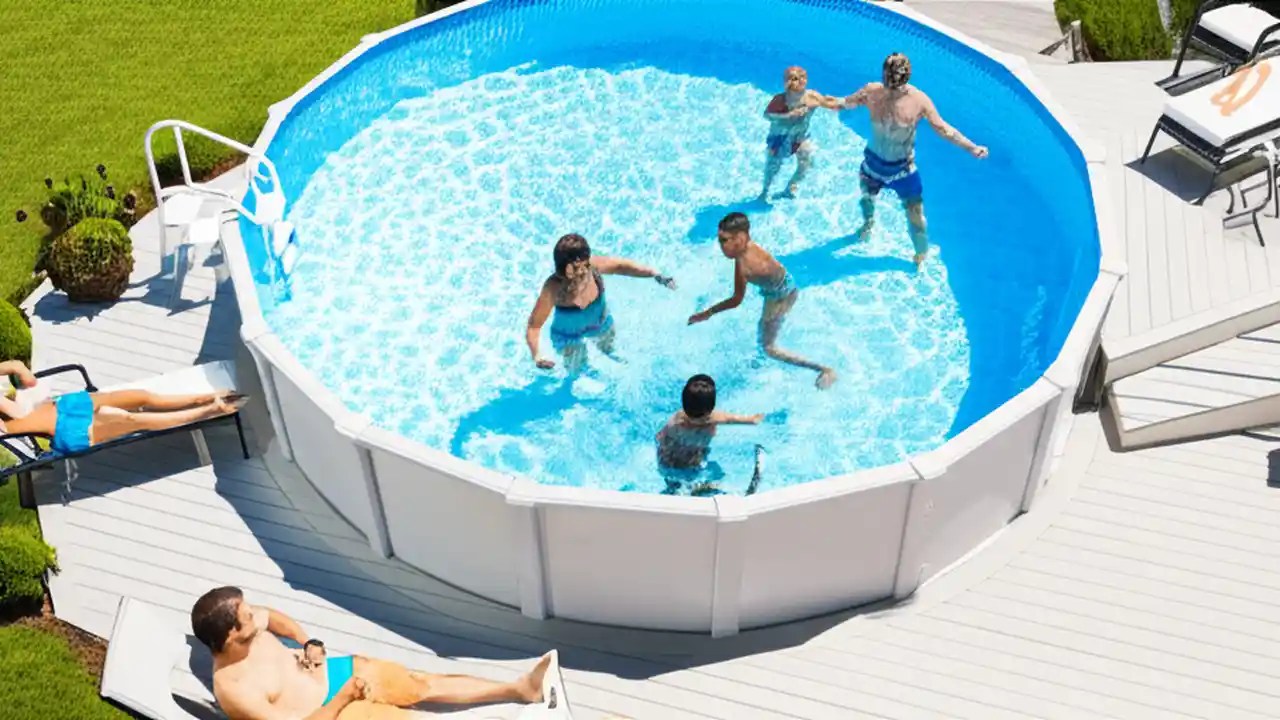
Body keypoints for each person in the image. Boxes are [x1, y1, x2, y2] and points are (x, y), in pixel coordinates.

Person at [191, 585, 553, 720]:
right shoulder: (235, 690)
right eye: (247, 614)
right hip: (328, 714)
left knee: (418, 684)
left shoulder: (248, 632)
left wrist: (306, 643)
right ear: (230, 636)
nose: (256, 612)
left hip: (334, 673)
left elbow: (278, 620)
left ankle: (519, 690)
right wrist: (344, 697)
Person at [838, 52, 989, 270]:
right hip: (871, 165)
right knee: (867, 199)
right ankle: (868, 224)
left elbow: (944, 130)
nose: (889, 88)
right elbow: (843, 103)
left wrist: (972, 147)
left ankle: (920, 254)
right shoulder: (872, 92)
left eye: (895, 84)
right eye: (887, 81)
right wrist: (816, 100)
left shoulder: (919, 101)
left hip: (902, 171)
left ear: (906, 79)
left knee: (916, 218)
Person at [688, 213, 838, 389]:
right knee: (764, 335)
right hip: (788, 285)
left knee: (769, 347)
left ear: (740, 238)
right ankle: (758, 361)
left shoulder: (743, 265)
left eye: (724, 240)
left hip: (778, 297)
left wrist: (708, 313)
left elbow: (736, 300)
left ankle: (824, 369)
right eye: (720, 240)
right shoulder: (748, 246)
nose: (721, 246)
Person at [0, 359, 245, 455]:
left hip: (65, 405)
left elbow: (22, 373)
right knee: (135, 421)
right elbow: (17, 417)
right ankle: (210, 409)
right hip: (68, 431)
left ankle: (202, 397)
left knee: (144, 397)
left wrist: (17, 369)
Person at [526, 233, 676, 373]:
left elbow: (621, 266)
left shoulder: (594, 267)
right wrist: (538, 356)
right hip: (567, 336)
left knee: (611, 352)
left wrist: (655, 274)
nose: (573, 278)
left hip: (601, 324)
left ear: (586, 262)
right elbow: (534, 326)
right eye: (567, 274)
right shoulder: (553, 287)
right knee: (578, 370)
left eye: (578, 270)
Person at [655, 374, 764, 496]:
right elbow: (660, 441)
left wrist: (751, 420)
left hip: (697, 458)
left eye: (704, 418)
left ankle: (702, 490)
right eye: (694, 419)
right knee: (680, 485)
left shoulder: (711, 418)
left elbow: (729, 419)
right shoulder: (675, 425)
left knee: (715, 476)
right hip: (676, 464)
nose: (700, 423)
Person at [758, 66, 842, 201]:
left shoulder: (812, 97)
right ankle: (764, 192)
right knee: (773, 167)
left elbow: (828, 104)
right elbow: (767, 116)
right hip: (779, 139)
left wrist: (838, 104)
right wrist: (788, 115)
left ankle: (789, 187)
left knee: (806, 163)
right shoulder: (780, 100)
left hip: (799, 138)